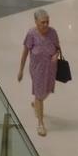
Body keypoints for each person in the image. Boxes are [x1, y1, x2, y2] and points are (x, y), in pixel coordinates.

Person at [17, 9, 62, 137]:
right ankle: (41, 124)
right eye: (43, 22)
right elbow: (25, 52)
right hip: (37, 69)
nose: (46, 25)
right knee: (39, 94)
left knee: (46, 91)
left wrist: (56, 55)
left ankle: (36, 102)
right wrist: (21, 70)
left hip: (51, 69)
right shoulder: (31, 34)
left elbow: (58, 47)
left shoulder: (53, 32)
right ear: (36, 22)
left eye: (47, 22)